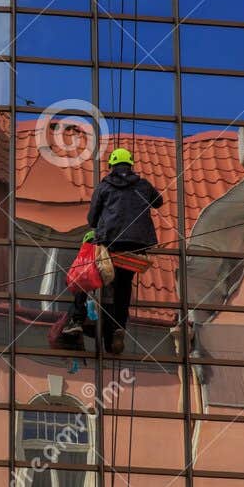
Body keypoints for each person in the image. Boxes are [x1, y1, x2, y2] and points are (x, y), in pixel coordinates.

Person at [87, 147, 163, 355]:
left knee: (106, 284)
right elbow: (159, 202)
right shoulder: (142, 185)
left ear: (111, 165)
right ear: (130, 165)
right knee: (124, 288)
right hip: (136, 244)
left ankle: (107, 332)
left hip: (112, 243)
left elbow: (92, 219)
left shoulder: (104, 186)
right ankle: (119, 328)